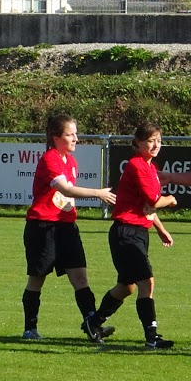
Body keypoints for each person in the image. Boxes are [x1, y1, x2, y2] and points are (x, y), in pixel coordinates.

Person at [20, 112, 116, 340]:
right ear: (55, 137)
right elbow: (66, 190)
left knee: (80, 278)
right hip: (43, 227)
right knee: (37, 278)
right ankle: (30, 329)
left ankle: (93, 326)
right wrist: (97, 193)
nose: (76, 139)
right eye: (70, 134)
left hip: (67, 228)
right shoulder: (50, 159)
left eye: (76, 134)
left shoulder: (70, 162)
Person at [83, 124, 176, 349]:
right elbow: (154, 201)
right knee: (147, 282)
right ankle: (152, 336)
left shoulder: (149, 168)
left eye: (159, 141)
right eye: (150, 141)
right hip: (126, 232)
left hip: (136, 232)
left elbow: (146, 207)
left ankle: (94, 322)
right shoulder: (137, 166)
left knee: (127, 286)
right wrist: (170, 199)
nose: (155, 145)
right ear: (138, 143)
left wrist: (161, 230)